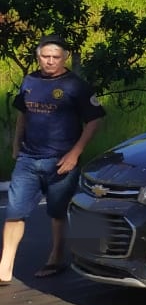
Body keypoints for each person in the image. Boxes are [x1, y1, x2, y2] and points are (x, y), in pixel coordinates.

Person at [1, 35, 106, 283]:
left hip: (61, 160)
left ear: (64, 58)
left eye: (55, 57)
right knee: (15, 211)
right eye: (45, 56)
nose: (50, 61)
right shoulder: (30, 81)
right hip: (28, 159)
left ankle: (56, 257)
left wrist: (75, 153)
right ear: (38, 57)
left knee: (57, 212)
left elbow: (95, 120)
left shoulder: (75, 86)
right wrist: (16, 145)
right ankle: (5, 265)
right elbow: (23, 114)